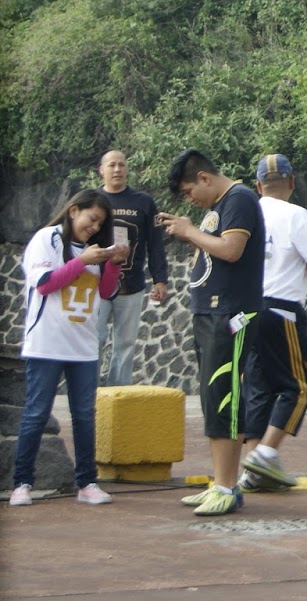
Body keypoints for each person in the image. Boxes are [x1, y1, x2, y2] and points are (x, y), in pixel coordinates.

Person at [157, 150, 265, 517]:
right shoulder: (219, 207)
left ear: (204, 178)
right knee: (213, 396)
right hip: (210, 312)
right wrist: (192, 232)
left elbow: (232, 250)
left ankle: (226, 486)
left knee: (223, 396)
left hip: (230, 313)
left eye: (189, 191)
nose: (189, 199)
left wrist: (189, 230)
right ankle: (221, 482)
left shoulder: (239, 199)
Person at [10, 189, 127, 507]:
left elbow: (105, 292)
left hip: (83, 346)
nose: (94, 227)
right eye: (92, 219)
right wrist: (82, 261)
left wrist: (114, 263)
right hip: (46, 343)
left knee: (84, 416)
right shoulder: (46, 239)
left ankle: (87, 482)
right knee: (36, 413)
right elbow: (46, 282)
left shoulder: (94, 250)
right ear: (74, 210)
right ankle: (22, 483)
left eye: (100, 223)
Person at [238, 154, 307, 493]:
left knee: (257, 389)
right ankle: (265, 453)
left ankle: (253, 471)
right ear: (291, 182)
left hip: (245, 311)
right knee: (299, 387)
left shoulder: (247, 212)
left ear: (258, 186)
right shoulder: (296, 215)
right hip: (282, 310)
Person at [95, 150, 169, 386]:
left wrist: (160, 280)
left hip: (132, 285)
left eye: (121, 165)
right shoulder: (92, 201)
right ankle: (88, 395)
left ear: (128, 169)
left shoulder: (144, 202)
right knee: (94, 339)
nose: (117, 169)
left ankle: (116, 395)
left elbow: (156, 243)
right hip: (96, 285)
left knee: (125, 344)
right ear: (102, 170)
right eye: (112, 165)